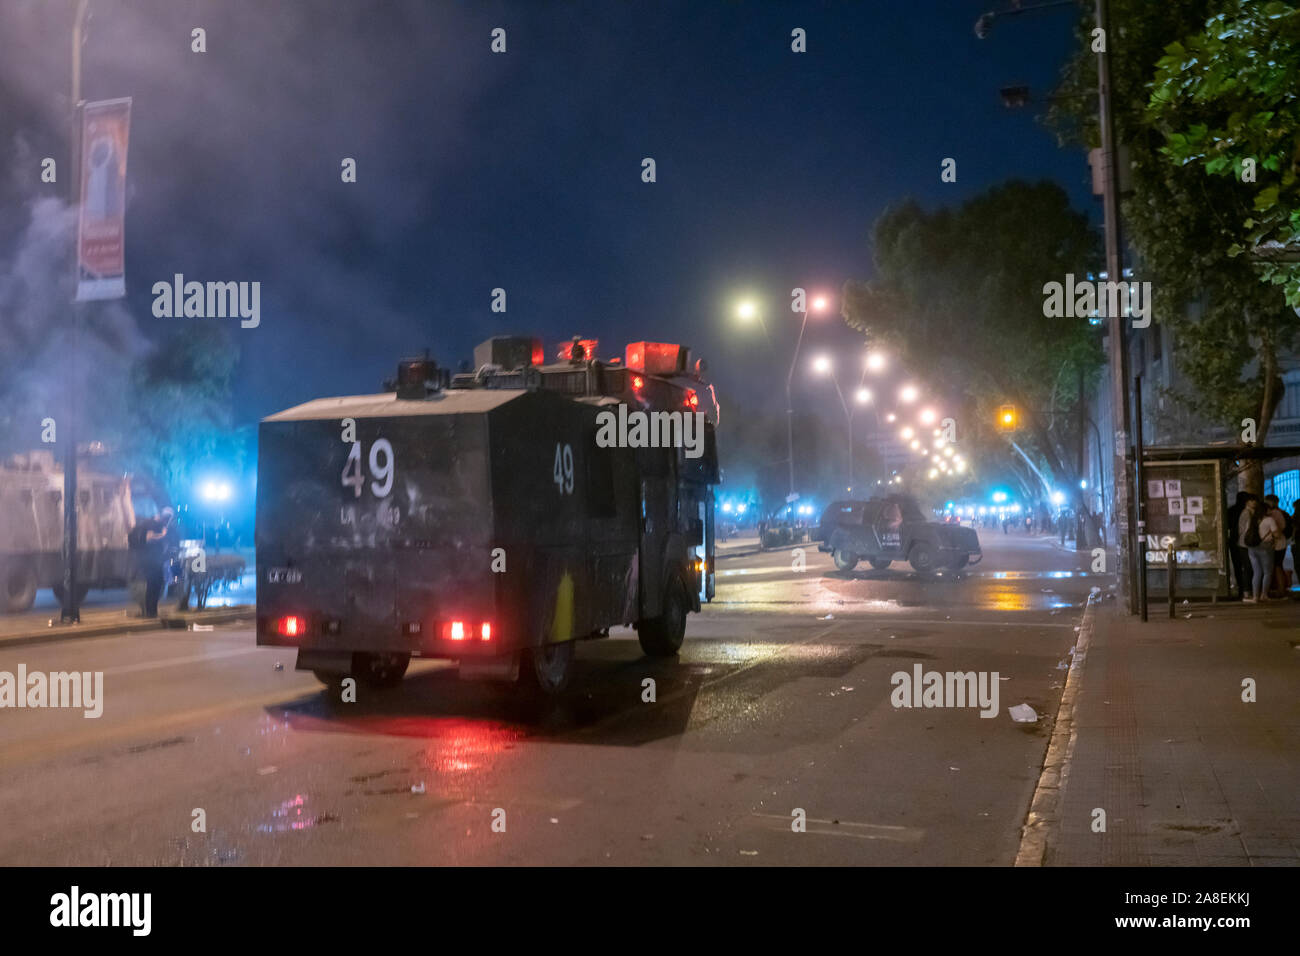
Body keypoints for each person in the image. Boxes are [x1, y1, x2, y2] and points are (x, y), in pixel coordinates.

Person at [1240, 498, 1279, 603]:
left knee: (1257, 572)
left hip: (1252, 548)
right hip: (1265, 547)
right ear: (1265, 510)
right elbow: (1277, 534)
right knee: (1267, 572)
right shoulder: (1269, 520)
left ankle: (1255, 597)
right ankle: (1264, 595)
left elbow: (1246, 532)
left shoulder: (1251, 520)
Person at [1225, 491, 1252, 600]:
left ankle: (1241, 588)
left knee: (1237, 566)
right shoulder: (1247, 511)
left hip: (1234, 541)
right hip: (1247, 541)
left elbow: (1227, 525)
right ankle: (1248, 588)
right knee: (1248, 565)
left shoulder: (1231, 510)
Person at [1265, 495, 1292, 596]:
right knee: (1277, 566)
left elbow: (1278, 530)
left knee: (1276, 566)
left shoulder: (1274, 514)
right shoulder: (1283, 513)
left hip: (1277, 543)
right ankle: (1280, 588)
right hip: (1281, 542)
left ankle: (1280, 589)